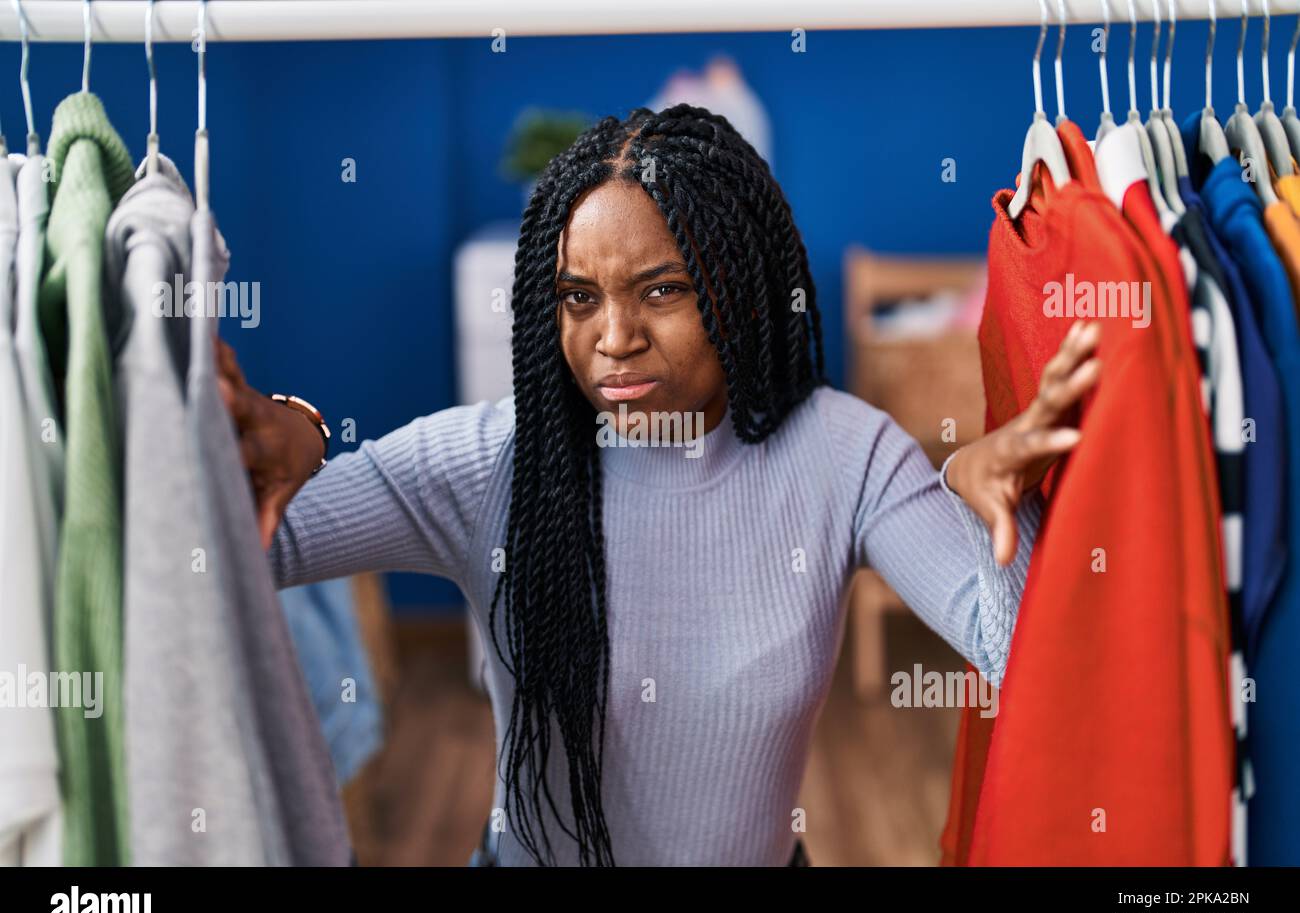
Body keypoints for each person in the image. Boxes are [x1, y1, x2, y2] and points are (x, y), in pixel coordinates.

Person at [215, 104, 1101, 867]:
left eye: (661, 290)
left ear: (743, 292)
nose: (615, 337)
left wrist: (996, 500)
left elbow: (1028, 656)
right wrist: (287, 429)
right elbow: (221, 553)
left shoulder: (843, 454)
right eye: (578, 298)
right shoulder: (488, 462)